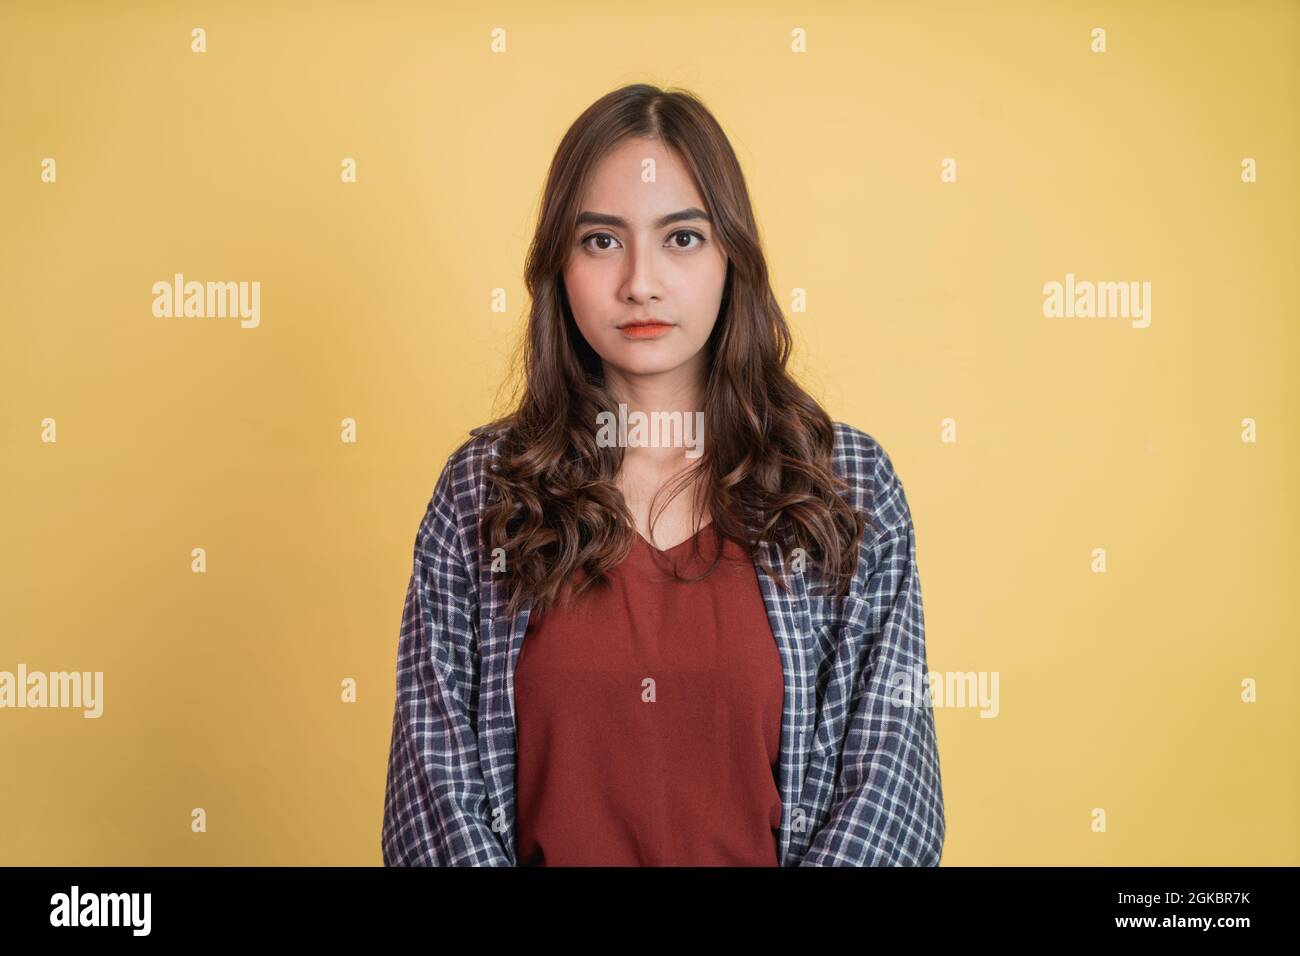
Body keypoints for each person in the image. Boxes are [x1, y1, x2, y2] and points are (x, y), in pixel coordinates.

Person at [381, 83, 945, 866]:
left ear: (731, 257)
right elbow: (429, 803)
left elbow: (893, 795)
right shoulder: (483, 489)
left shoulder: (845, 484)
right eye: (601, 241)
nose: (639, 281)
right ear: (558, 265)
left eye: (680, 238)